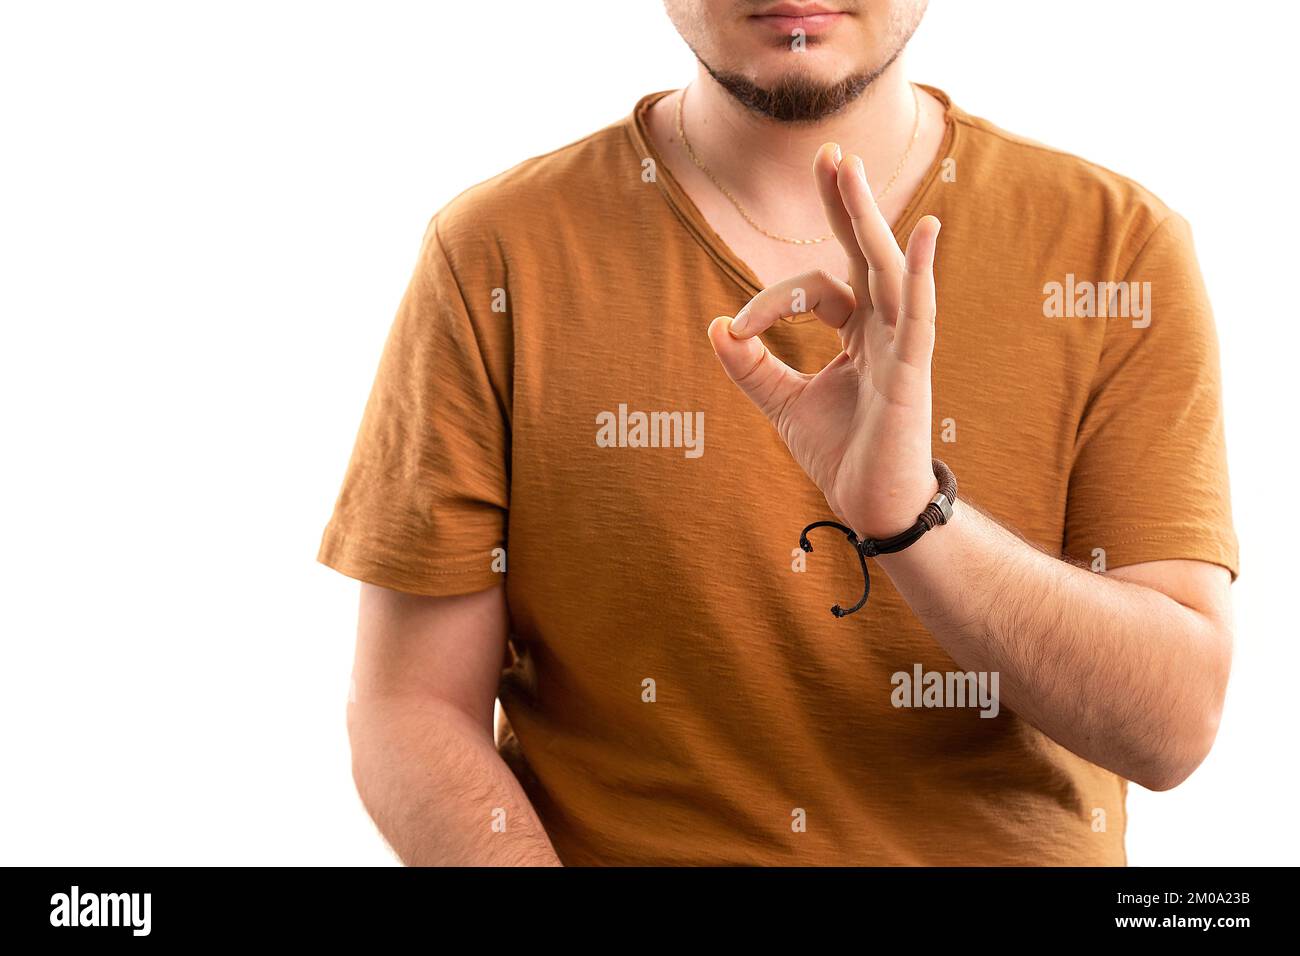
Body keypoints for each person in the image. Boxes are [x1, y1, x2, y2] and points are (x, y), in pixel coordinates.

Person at [319, 0, 1237, 865]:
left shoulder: (1115, 249)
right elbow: (412, 706)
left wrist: (915, 519)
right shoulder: (494, 253)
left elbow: (1170, 729)